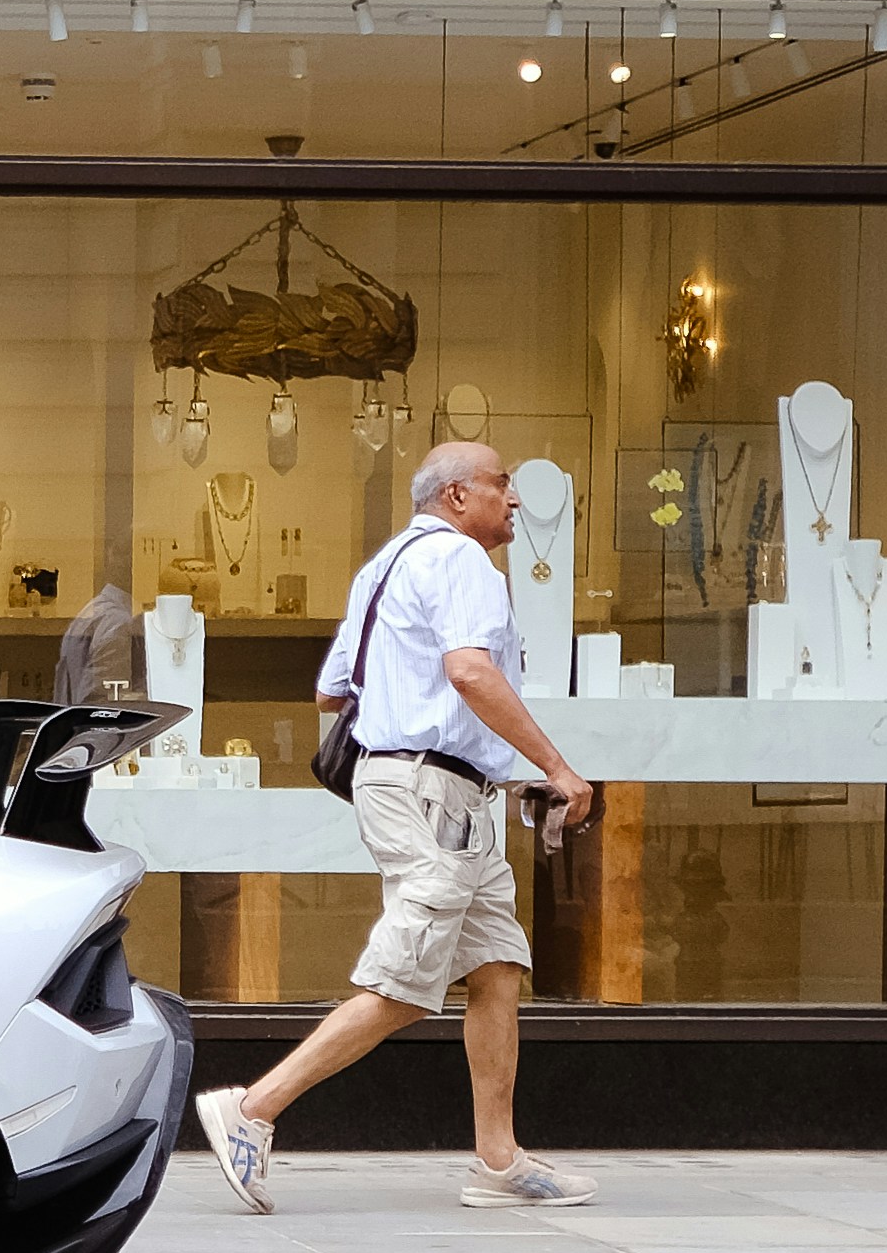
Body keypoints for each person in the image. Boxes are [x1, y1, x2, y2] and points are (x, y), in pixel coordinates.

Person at [195, 440, 601, 1213]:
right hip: (434, 795)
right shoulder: (461, 564)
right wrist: (555, 765)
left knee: (495, 970)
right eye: (500, 484)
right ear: (455, 496)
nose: (512, 500)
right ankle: (251, 1108)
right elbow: (470, 671)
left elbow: (330, 692)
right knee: (407, 980)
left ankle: (497, 1159)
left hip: (420, 787)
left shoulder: (382, 566)